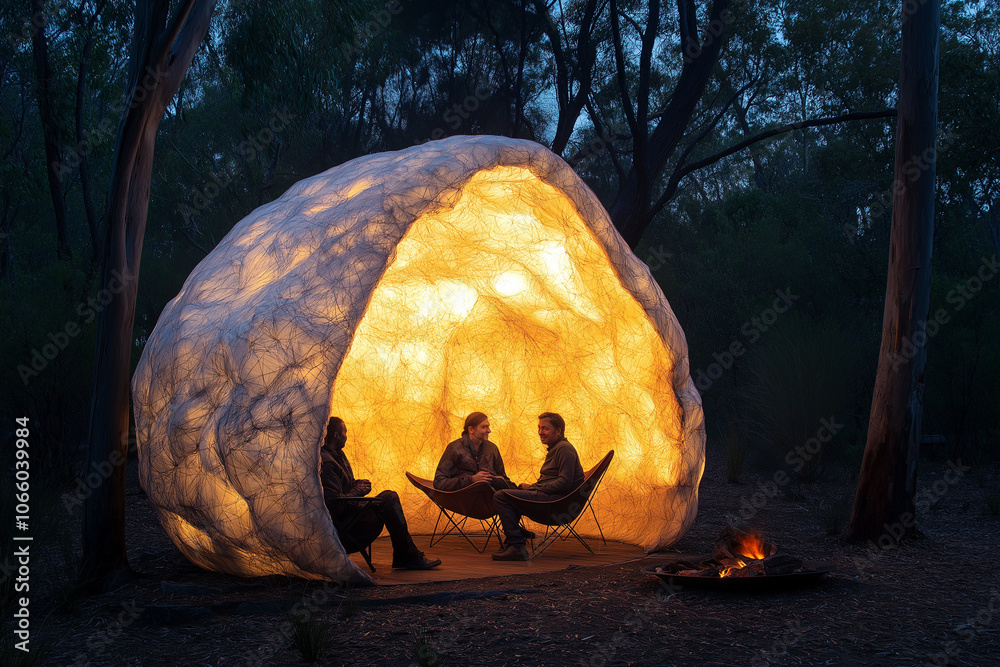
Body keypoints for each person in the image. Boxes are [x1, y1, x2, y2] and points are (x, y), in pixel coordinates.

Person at [321, 417, 441, 570]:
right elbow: (334, 505)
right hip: (344, 527)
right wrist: (358, 491)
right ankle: (406, 555)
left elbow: (344, 486)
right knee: (389, 498)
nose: (347, 436)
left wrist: (357, 484)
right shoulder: (327, 462)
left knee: (389, 498)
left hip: (351, 513)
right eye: (345, 433)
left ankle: (406, 554)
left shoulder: (338, 455)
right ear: (336, 435)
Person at [492, 412, 584, 561]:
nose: (540, 432)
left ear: (558, 431)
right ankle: (518, 533)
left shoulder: (564, 449)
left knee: (501, 496)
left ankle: (517, 546)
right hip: (548, 497)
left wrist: (534, 488)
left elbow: (564, 483)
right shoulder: (556, 448)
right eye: (539, 428)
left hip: (555, 504)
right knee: (500, 484)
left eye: (545, 428)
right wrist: (532, 487)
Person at [434, 412, 514, 491]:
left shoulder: (492, 448)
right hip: (463, 497)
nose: (489, 430)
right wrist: (471, 480)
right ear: (471, 429)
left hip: (490, 497)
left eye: (488, 427)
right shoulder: (455, 448)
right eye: (484, 427)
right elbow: (439, 482)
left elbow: (503, 478)